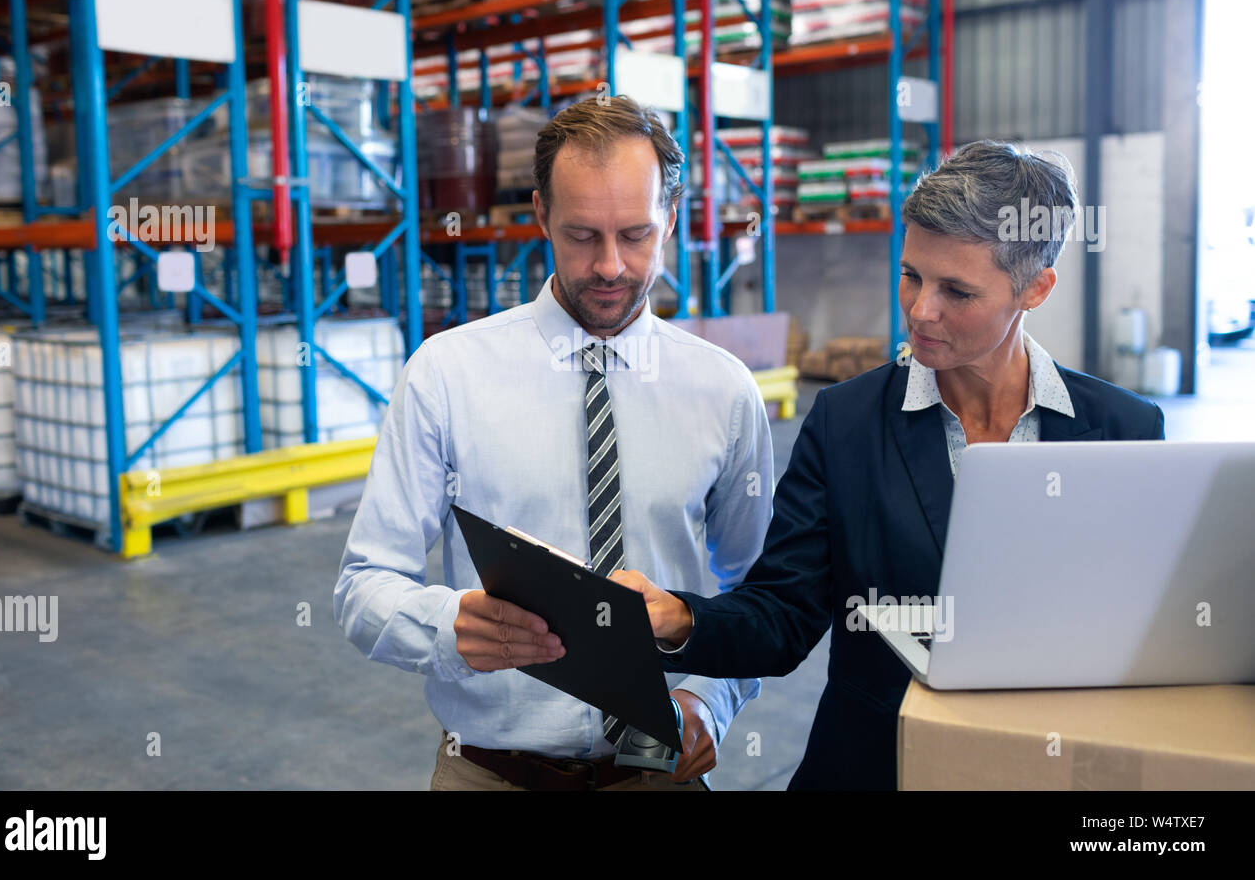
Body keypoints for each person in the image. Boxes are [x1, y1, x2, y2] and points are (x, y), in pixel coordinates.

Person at [611, 140, 1166, 790]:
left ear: (1035, 288)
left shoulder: (1122, 431)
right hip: (877, 766)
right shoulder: (847, 423)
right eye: (911, 275)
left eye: (956, 290)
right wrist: (682, 617)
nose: (920, 309)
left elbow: (1144, 630)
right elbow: (784, 613)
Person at [334, 95, 771, 791]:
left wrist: (710, 701)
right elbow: (363, 587)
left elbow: (757, 591)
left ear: (674, 218)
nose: (609, 266)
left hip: (658, 772)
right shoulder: (447, 376)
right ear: (539, 215)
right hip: (491, 773)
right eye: (580, 235)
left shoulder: (723, 391)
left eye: (635, 235)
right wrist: (450, 624)